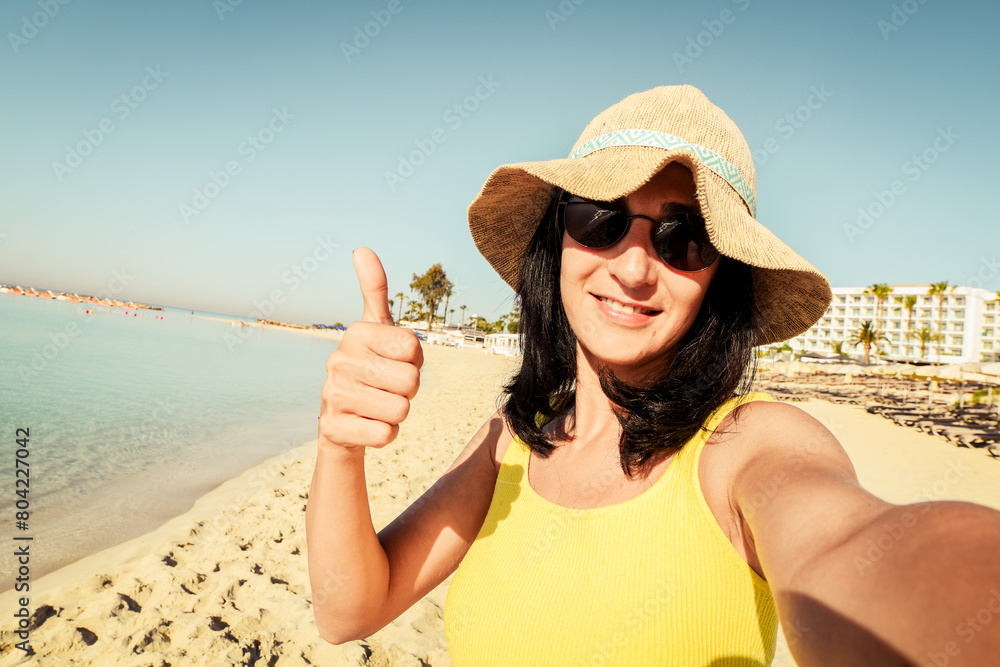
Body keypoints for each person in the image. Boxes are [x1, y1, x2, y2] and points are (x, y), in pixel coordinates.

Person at [306, 85, 1000, 665]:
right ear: (559, 239)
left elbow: (856, 549)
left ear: (719, 278)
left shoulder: (748, 447)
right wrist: (339, 446)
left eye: (683, 238)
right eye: (602, 217)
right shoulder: (506, 446)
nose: (635, 267)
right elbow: (347, 609)